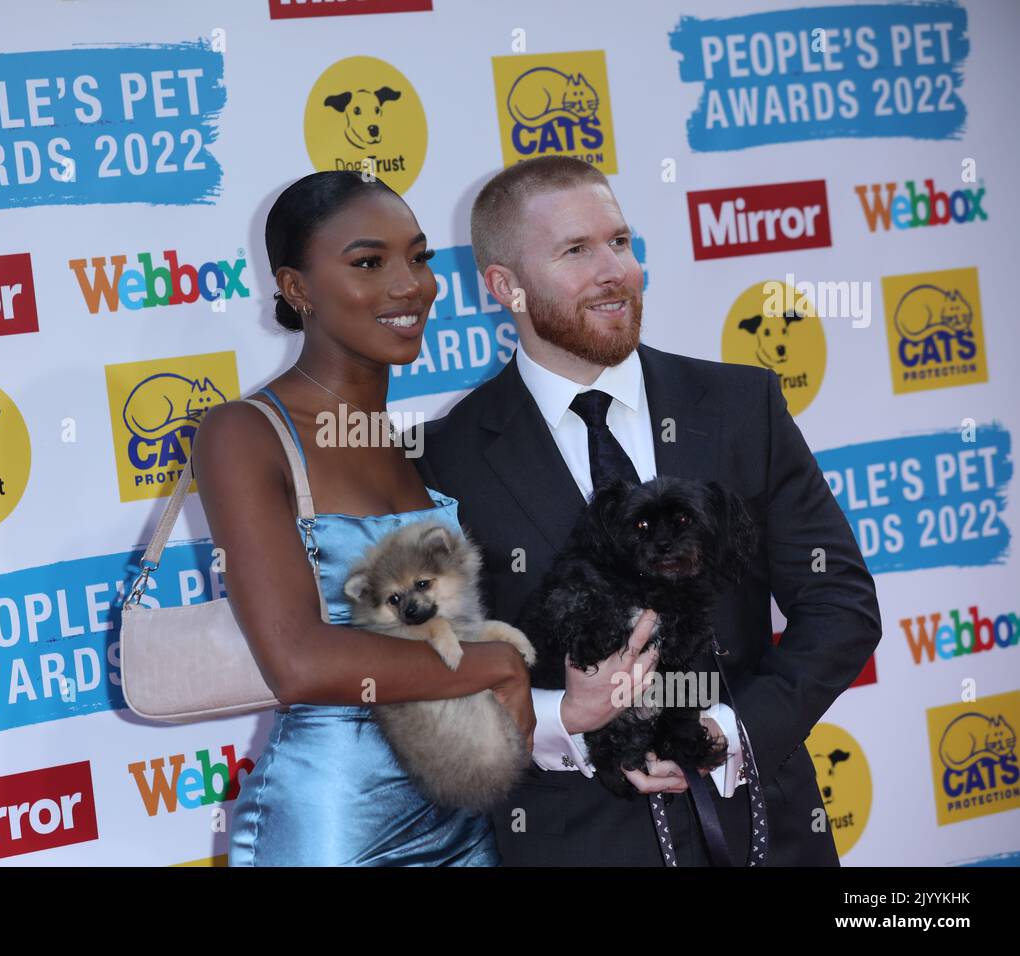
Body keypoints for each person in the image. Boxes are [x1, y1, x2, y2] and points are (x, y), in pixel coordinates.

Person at [413, 156, 882, 866]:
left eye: (621, 242)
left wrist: (730, 731)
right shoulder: (448, 458)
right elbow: (437, 673)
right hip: (577, 838)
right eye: (576, 251)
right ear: (504, 285)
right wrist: (568, 726)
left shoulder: (738, 407)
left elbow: (841, 604)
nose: (616, 272)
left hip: (767, 828)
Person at [194, 170, 590, 865]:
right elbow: (298, 663)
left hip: (464, 814)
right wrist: (495, 664)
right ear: (296, 289)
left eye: (420, 255)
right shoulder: (245, 434)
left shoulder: (419, 445)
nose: (411, 284)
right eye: (369, 262)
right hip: (335, 827)